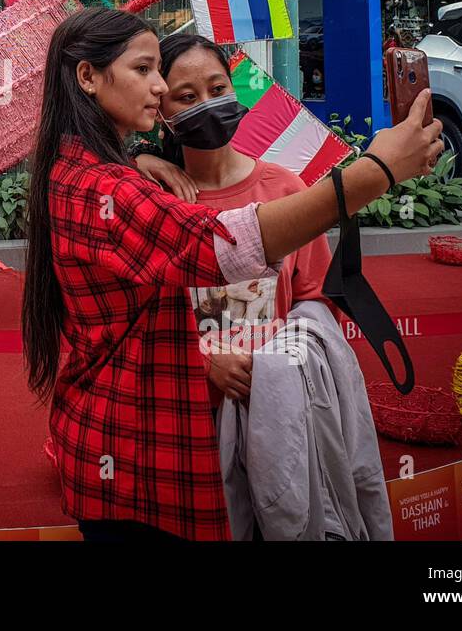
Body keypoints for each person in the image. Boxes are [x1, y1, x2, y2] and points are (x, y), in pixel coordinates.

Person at [21, 8, 441, 543]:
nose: (157, 87)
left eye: (214, 87)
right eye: (149, 73)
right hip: (142, 459)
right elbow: (214, 245)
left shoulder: (105, 173)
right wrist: (375, 171)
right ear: (87, 76)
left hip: (181, 442)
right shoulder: (109, 188)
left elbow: (307, 295)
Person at [130, 34, 335, 406]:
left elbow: (314, 297)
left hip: (273, 400)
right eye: (187, 97)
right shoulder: (153, 201)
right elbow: (136, 318)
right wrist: (204, 356)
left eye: (217, 88)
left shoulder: (287, 189)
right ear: (161, 111)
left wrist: (283, 354)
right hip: (182, 407)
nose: (207, 105)